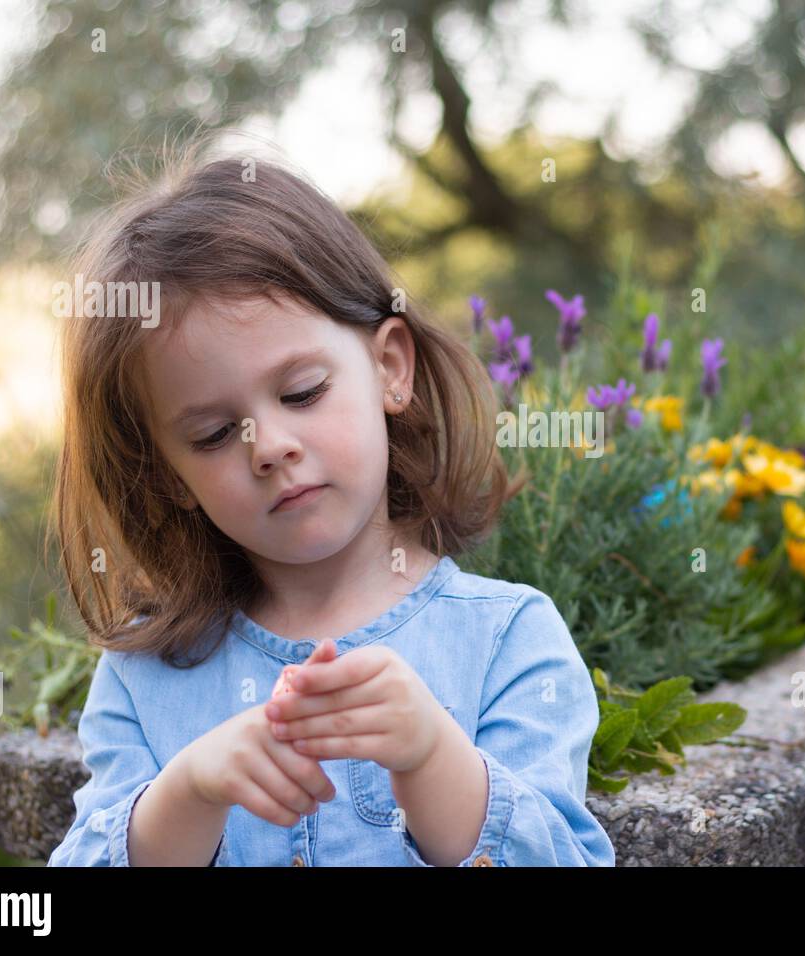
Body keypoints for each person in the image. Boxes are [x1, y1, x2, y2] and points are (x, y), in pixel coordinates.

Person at [45, 136, 615, 867]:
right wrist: (188, 794)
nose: (269, 445)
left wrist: (433, 758)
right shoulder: (145, 677)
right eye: (216, 433)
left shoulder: (507, 640)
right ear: (166, 478)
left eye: (303, 392)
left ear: (389, 368)